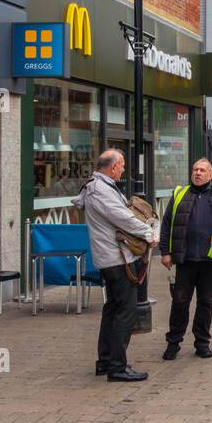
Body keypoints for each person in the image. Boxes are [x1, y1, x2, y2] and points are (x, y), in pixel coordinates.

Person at [75, 149, 157, 382]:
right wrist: (148, 232)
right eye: (121, 165)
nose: (123, 169)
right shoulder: (100, 190)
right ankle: (117, 366)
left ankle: (105, 361)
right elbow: (122, 218)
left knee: (112, 309)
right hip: (116, 258)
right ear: (112, 167)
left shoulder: (100, 187)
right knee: (125, 311)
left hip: (110, 258)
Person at [158, 157, 212, 360]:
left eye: (202, 170)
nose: (197, 173)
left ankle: (202, 343)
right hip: (185, 260)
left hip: (210, 261)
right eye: (195, 169)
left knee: (206, 302)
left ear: (210, 174)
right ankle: (173, 343)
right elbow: (167, 225)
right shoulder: (180, 195)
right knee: (179, 303)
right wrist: (165, 252)